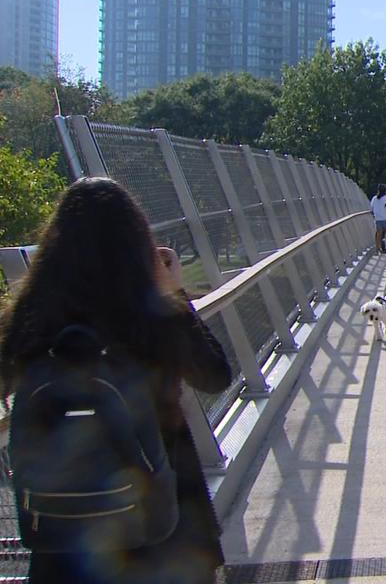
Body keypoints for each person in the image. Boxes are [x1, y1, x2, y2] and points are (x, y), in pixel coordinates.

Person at [0, 177, 233, 584]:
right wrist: (175, 293)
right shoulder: (151, 314)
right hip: (164, 519)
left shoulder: (32, 319)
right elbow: (214, 375)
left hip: (65, 528)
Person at [370, 184, 386, 254]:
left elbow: (371, 209)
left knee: (378, 235)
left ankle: (377, 250)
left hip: (378, 219)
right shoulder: (385, 198)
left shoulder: (374, 198)